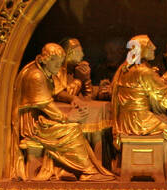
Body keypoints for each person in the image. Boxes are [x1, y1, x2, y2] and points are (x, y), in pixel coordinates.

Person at [12, 43, 112, 181]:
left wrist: (74, 98)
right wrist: (68, 118)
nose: (59, 68)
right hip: (33, 126)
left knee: (74, 128)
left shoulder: (46, 72)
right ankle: (87, 171)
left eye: (60, 64)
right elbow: (47, 106)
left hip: (41, 120)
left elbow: (55, 92)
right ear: (45, 60)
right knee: (72, 130)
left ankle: (70, 169)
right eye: (56, 64)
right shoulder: (36, 76)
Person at [111, 34, 167, 177]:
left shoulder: (125, 68)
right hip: (139, 121)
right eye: (150, 45)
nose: (154, 48)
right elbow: (165, 96)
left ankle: (165, 166)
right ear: (142, 49)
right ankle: (166, 168)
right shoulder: (143, 72)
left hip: (129, 119)